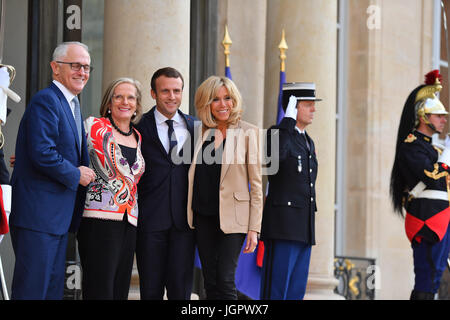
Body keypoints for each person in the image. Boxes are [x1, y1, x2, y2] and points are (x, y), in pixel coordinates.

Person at [9, 41, 96, 299]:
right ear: (55, 68)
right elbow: (42, 152)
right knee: (33, 291)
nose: (82, 72)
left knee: (50, 291)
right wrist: (75, 174)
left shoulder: (71, 104)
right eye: (76, 66)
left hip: (56, 219)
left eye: (87, 67)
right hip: (38, 217)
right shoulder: (47, 100)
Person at [187, 75, 263, 300]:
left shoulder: (249, 132)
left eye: (227, 98)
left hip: (235, 219)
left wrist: (254, 228)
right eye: (216, 99)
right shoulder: (197, 132)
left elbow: (257, 185)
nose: (223, 104)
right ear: (206, 103)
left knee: (225, 279)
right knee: (209, 280)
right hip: (203, 216)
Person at [76, 77, 145, 299]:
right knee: (99, 287)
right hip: (98, 220)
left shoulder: (138, 136)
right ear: (109, 102)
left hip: (129, 221)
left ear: (137, 105)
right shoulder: (93, 126)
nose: (125, 101)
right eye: (119, 96)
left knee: (119, 289)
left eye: (131, 97)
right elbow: (65, 147)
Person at [135, 67, 196, 300]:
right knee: (150, 291)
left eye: (177, 91)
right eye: (165, 91)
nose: (172, 97)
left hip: (185, 225)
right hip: (149, 223)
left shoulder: (196, 127)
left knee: (181, 293)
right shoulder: (138, 125)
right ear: (153, 93)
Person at [390, 70, 450, 300]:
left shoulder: (433, 149)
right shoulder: (411, 145)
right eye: (439, 116)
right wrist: (447, 158)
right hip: (426, 219)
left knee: (434, 278)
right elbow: (431, 176)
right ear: (424, 117)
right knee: (426, 277)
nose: (444, 119)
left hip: (441, 217)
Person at [260, 82, 321, 300]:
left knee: (295, 292)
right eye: (308, 104)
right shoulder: (278, 133)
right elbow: (273, 163)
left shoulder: (307, 140)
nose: (313, 109)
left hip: (303, 228)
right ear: (293, 107)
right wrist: (286, 120)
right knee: (276, 291)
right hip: (283, 226)